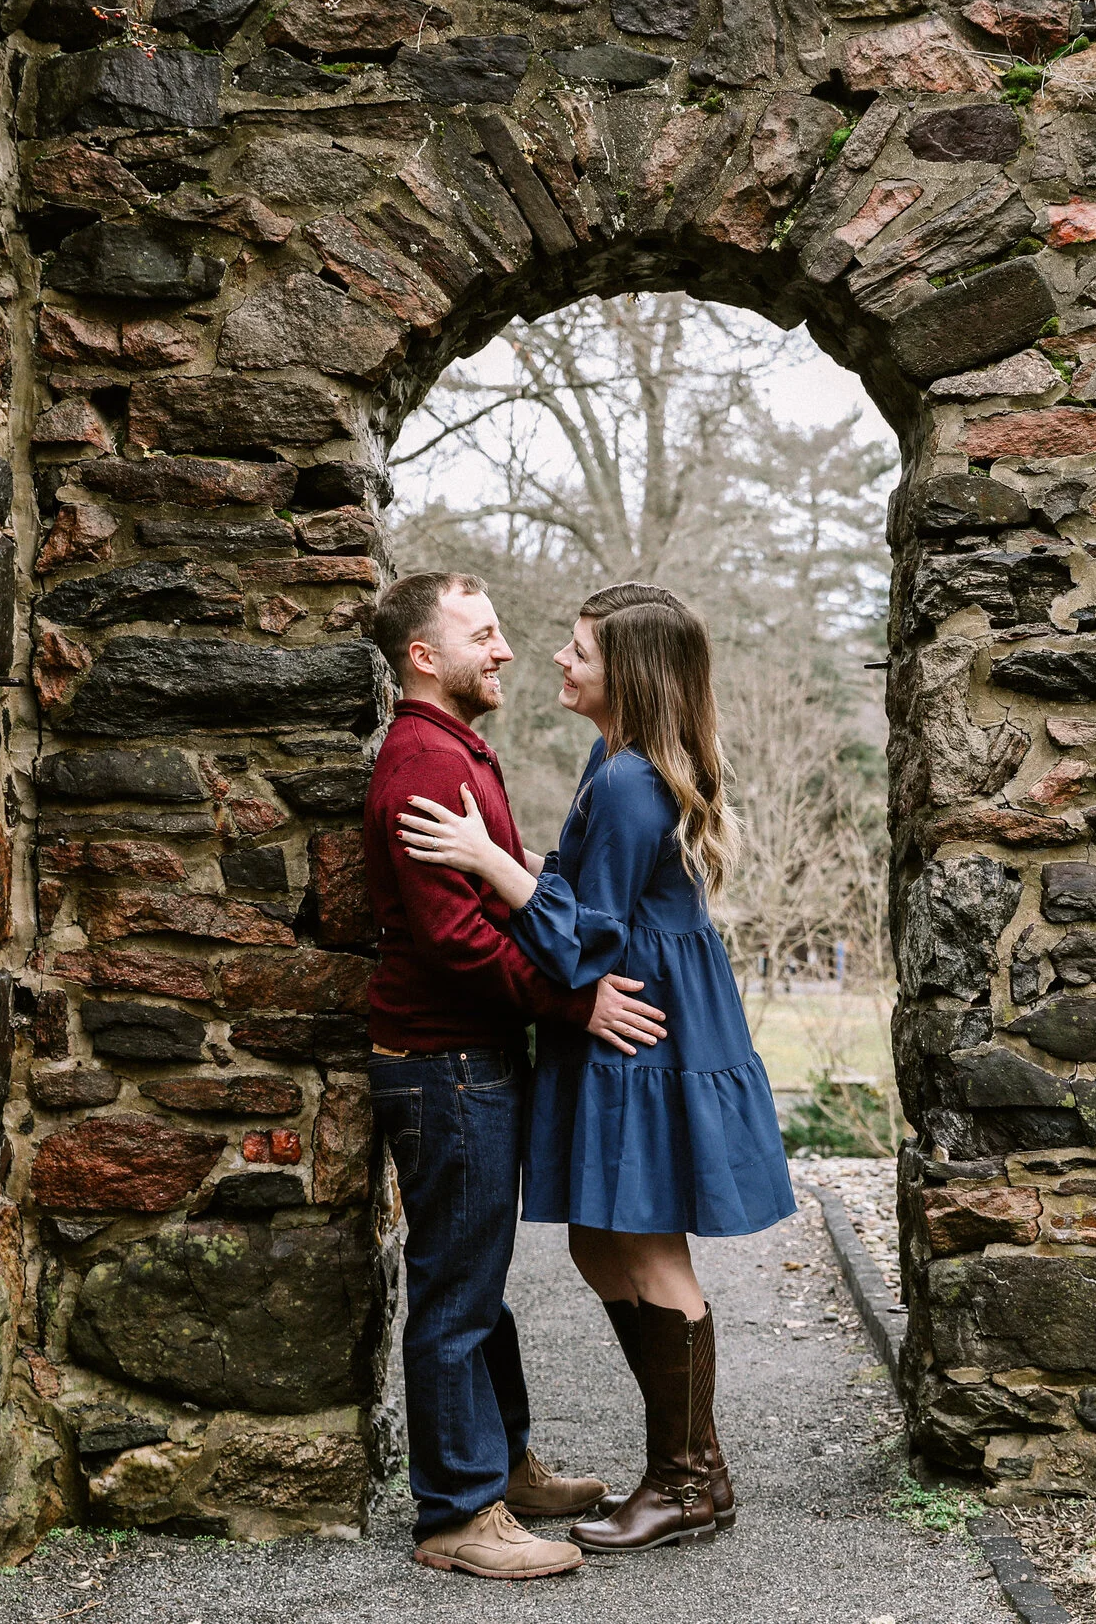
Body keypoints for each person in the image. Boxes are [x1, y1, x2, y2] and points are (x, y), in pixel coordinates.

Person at [400, 582, 797, 1554]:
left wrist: (491, 860)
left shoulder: (626, 781)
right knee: (595, 1242)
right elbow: (583, 886)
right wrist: (522, 858)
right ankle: (692, 1468)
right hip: (619, 1015)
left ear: (628, 671)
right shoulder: (609, 758)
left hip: (641, 1022)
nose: (556, 660)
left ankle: (686, 1481)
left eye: (578, 649)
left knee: (649, 1248)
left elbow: (583, 934)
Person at [362, 570, 671, 1582]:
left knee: (477, 1285)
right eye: (482, 634)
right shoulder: (419, 758)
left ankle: (503, 1467)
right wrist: (571, 999)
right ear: (423, 654)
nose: (504, 650)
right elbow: (457, 939)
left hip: (469, 1057)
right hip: (445, 1061)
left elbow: (494, 895)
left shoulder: (451, 747)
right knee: (456, 1290)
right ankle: (458, 1511)